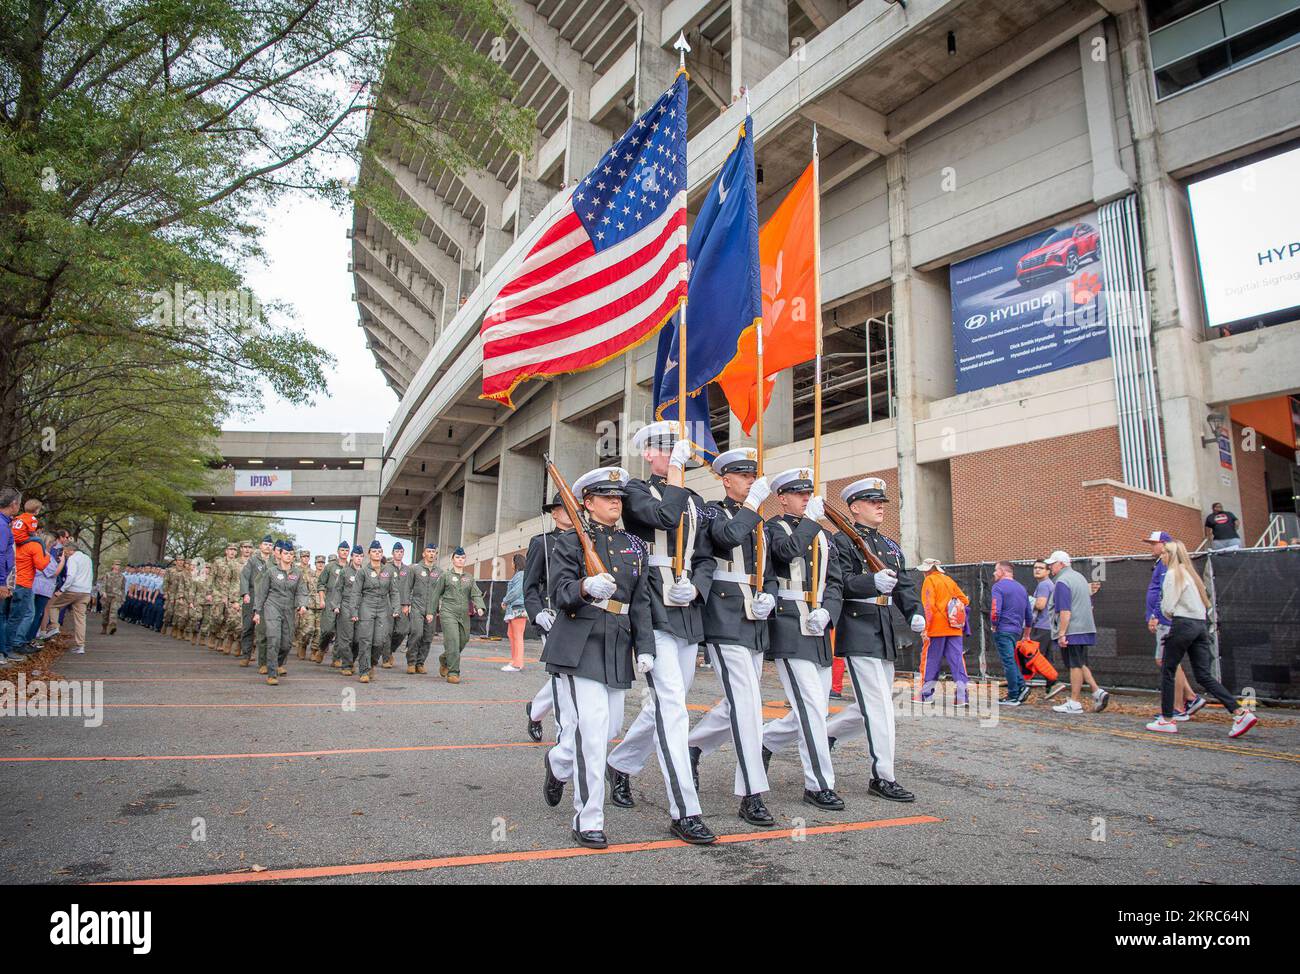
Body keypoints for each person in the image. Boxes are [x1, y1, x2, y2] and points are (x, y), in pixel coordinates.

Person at [604, 422, 715, 843]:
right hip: (650, 609)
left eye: (678, 447)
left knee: (666, 702)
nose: (673, 453)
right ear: (648, 453)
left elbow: (706, 555)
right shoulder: (633, 490)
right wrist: (677, 478)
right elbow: (663, 517)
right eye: (666, 448)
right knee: (672, 707)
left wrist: (698, 584)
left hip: (685, 609)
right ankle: (684, 810)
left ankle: (622, 763)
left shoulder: (694, 499)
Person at [541, 466, 659, 850]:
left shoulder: (633, 545)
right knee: (592, 732)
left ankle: (558, 763)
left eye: (619, 497)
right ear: (587, 503)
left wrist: (646, 648)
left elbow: (639, 602)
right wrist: (584, 587)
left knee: (607, 728)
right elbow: (559, 592)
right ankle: (588, 818)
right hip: (580, 641)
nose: (616, 502)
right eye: (607, 497)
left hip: (617, 643)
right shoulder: (571, 542)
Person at [686, 449, 776, 826]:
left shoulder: (757, 520)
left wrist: (768, 594)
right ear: (726, 480)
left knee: (741, 701)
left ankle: (694, 745)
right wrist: (753, 504)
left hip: (752, 621)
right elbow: (725, 538)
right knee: (747, 705)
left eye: (753, 476)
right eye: (743, 476)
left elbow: (767, 568)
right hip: (723, 619)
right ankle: (751, 792)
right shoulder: (711, 511)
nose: (751, 481)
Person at [825, 477, 925, 801]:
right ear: (854, 507)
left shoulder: (890, 546)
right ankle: (883, 777)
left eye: (881, 501)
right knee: (880, 706)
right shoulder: (841, 541)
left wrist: (914, 612)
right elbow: (841, 585)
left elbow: (904, 585)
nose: (880, 506)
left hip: (884, 629)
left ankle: (821, 734)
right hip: (858, 627)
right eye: (872, 501)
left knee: (871, 705)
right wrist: (871, 582)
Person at [760, 467, 846, 812]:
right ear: (782, 498)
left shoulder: (825, 536)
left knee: (815, 707)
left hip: (818, 626)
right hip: (790, 626)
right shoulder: (772, 528)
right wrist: (811, 522)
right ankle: (819, 784)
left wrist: (829, 612)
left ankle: (765, 740)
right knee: (810, 705)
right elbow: (786, 553)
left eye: (808, 493)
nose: (805, 499)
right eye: (798, 494)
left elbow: (836, 582)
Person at [1146, 540, 1258, 738]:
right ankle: (1239, 712)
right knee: (1203, 675)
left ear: (1169, 555)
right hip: (1199, 625)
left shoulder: (1172, 574)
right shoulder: (1190, 574)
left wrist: (1166, 615)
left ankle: (1167, 719)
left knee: (1168, 669)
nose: (1161, 557)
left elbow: (1168, 607)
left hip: (1182, 624)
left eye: (1163, 554)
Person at [523, 496, 570, 741]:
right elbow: (530, 585)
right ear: (554, 513)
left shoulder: (586, 541)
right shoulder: (542, 542)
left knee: (567, 679)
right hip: (551, 616)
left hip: (579, 615)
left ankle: (536, 710)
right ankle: (565, 738)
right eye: (566, 508)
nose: (572, 512)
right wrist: (537, 613)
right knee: (563, 678)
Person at [1143, 531, 1202, 721]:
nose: (1152, 547)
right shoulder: (1162, 563)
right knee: (1167, 662)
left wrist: (1156, 615)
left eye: (1155, 544)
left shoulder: (1168, 565)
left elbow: (1164, 593)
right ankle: (1190, 698)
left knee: (1168, 662)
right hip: (1167, 619)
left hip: (1167, 620)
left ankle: (1179, 706)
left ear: (1166, 545)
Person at [1045, 550, 1111, 715]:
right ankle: (1097, 691)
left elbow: (1065, 610)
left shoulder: (1062, 581)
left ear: (1061, 564)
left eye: (1052, 564)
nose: (1050, 567)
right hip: (1085, 627)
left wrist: (1062, 633)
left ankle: (1074, 702)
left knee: (1074, 665)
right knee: (1080, 662)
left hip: (1072, 629)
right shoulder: (1080, 577)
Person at [253, 541, 309, 685]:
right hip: (272, 607)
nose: (288, 556)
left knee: (286, 644)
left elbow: (302, 591)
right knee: (274, 639)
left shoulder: (297, 573)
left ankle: (277, 664)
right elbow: (261, 593)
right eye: (286, 553)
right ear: (280, 554)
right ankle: (271, 674)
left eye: (291, 554)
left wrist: (302, 605)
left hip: (289, 609)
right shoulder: (271, 572)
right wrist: (257, 611)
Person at [917, 559, 970, 705]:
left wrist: (926, 629)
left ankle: (926, 695)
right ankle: (962, 697)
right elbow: (964, 600)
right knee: (957, 661)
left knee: (931, 661)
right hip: (954, 627)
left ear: (927, 570)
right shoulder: (948, 580)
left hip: (936, 629)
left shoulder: (929, 580)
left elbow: (929, 607)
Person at [429, 547, 485, 684]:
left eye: (462, 558)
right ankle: (453, 672)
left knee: (463, 639)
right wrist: (431, 612)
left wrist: (480, 606)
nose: (460, 560)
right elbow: (436, 595)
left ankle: (444, 659)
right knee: (453, 641)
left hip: (463, 613)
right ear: (453, 560)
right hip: (448, 612)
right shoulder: (445, 576)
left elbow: (476, 593)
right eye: (458, 558)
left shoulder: (469, 578)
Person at [350, 540, 400, 683]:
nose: (377, 554)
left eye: (379, 552)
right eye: (374, 551)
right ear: (369, 554)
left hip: (383, 608)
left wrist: (396, 608)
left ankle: (372, 663)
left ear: (382, 553)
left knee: (379, 641)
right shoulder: (363, 572)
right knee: (365, 640)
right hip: (367, 606)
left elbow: (394, 592)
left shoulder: (388, 571)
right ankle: (364, 670)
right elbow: (355, 593)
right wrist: (354, 611)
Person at [989, 561, 1031, 706]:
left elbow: (995, 609)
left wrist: (994, 625)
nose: (994, 573)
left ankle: (1014, 694)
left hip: (1003, 628)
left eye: (996, 570)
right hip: (1016, 630)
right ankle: (1021, 687)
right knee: (1011, 660)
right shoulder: (1021, 588)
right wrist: (1026, 634)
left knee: (1008, 662)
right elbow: (1028, 614)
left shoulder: (998, 587)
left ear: (1002, 571)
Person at [8, 509, 49, 655]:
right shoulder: (35, 545)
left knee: (11, 615)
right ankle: (17, 643)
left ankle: (9, 644)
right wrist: (48, 556)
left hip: (12, 581)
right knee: (27, 614)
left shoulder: (14, 543)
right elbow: (41, 565)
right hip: (25, 582)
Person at [44, 542, 94, 654]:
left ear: (70, 550)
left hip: (73, 589)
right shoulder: (87, 558)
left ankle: (54, 627)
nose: (64, 555)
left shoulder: (72, 559)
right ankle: (80, 646)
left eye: (65, 552)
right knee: (80, 619)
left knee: (53, 606)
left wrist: (61, 590)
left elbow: (71, 575)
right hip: (85, 591)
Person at [1026, 558, 1066, 699]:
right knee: (1046, 658)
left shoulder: (1044, 585)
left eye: (1041, 568)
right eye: (1035, 567)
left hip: (1042, 626)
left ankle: (1020, 686)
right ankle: (1052, 685)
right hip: (1049, 627)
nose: (1037, 570)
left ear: (1048, 571)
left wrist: (1029, 601)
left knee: (1030, 655)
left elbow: (1041, 605)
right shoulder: (1048, 584)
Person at [406, 543, 441, 674]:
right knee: (416, 633)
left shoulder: (439, 572)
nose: (431, 554)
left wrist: (439, 607)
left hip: (431, 609)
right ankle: (411, 661)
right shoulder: (415, 569)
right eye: (429, 551)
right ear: (423, 553)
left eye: (433, 552)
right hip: (417, 606)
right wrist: (406, 604)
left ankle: (420, 663)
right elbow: (408, 587)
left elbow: (441, 591)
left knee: (427, 637)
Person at [238, 536, 273, 665]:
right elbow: (244, 577)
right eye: (265, 544)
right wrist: (245, 593)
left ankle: (264, 661)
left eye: (270, 545)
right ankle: (246, 655)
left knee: (265, 629)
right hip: (253, 595)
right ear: (260, 546)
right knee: (248, 626)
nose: (268, 547)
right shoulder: (253, 561)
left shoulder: (275, 561)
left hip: (268, 598)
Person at [314, 541, 351, 663]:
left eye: (346, 550)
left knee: (342, 632)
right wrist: (322, 599)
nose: (344, 552)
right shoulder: (330, 567)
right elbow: (321, 583)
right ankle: (322, 648)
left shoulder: (351, 567)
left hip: (345, 601)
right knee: (328, 630)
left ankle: (336, 658)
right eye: (342, 550)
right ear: (338, 551)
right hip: (330, 600)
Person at [335, 545, 364, 674]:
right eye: (356, 556)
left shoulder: (365, 572)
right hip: (346, 605)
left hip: (361, 607)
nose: (358, 558)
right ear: (352, 557)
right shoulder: (345, 572)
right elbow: (337, 589)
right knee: (346, 638)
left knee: (358, 639)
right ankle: (346, 665)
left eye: (361, 556)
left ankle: (351, 659)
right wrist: (336, 605)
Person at [0, 486, 20, 664]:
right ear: (13, 504)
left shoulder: (5, 524)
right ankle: (2, 651)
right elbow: (0, 554)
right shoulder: (2, 526)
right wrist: (2, 582)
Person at [385, 541, 412, 667]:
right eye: (397, 551)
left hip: (402, 605)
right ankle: (386, 658)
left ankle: (390, 649)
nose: (399, 554)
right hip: (388, 604)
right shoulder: (387, 568)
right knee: (388, 631)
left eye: (401, 552)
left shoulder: (407, 569)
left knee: (403, 630)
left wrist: (407, 604)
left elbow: (410, 587)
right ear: (392, 553)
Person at [501, 553, 527, 672]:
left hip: (518, 608)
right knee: (511, 634)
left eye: (512, 561)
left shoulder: (521, 575)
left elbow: (516, 591)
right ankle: (514, 660)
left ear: (516, 563)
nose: (511, 564)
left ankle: (517, 663)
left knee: (517, 636)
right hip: (515, 608)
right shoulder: (518, 575)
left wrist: (505, 601)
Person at [98, 561, 124, 636]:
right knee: (105, 612)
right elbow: (103, 584)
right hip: (107, 595)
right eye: (116, 564)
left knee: (114, 611)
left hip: (116, 596)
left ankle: (112, 627)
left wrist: (122, 597)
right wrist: (103, 592)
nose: (118, 566)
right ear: (112, 566)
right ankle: (104, 627)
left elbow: (123, 588)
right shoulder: (107, 575)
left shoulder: (122, 576)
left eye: (119, 565)